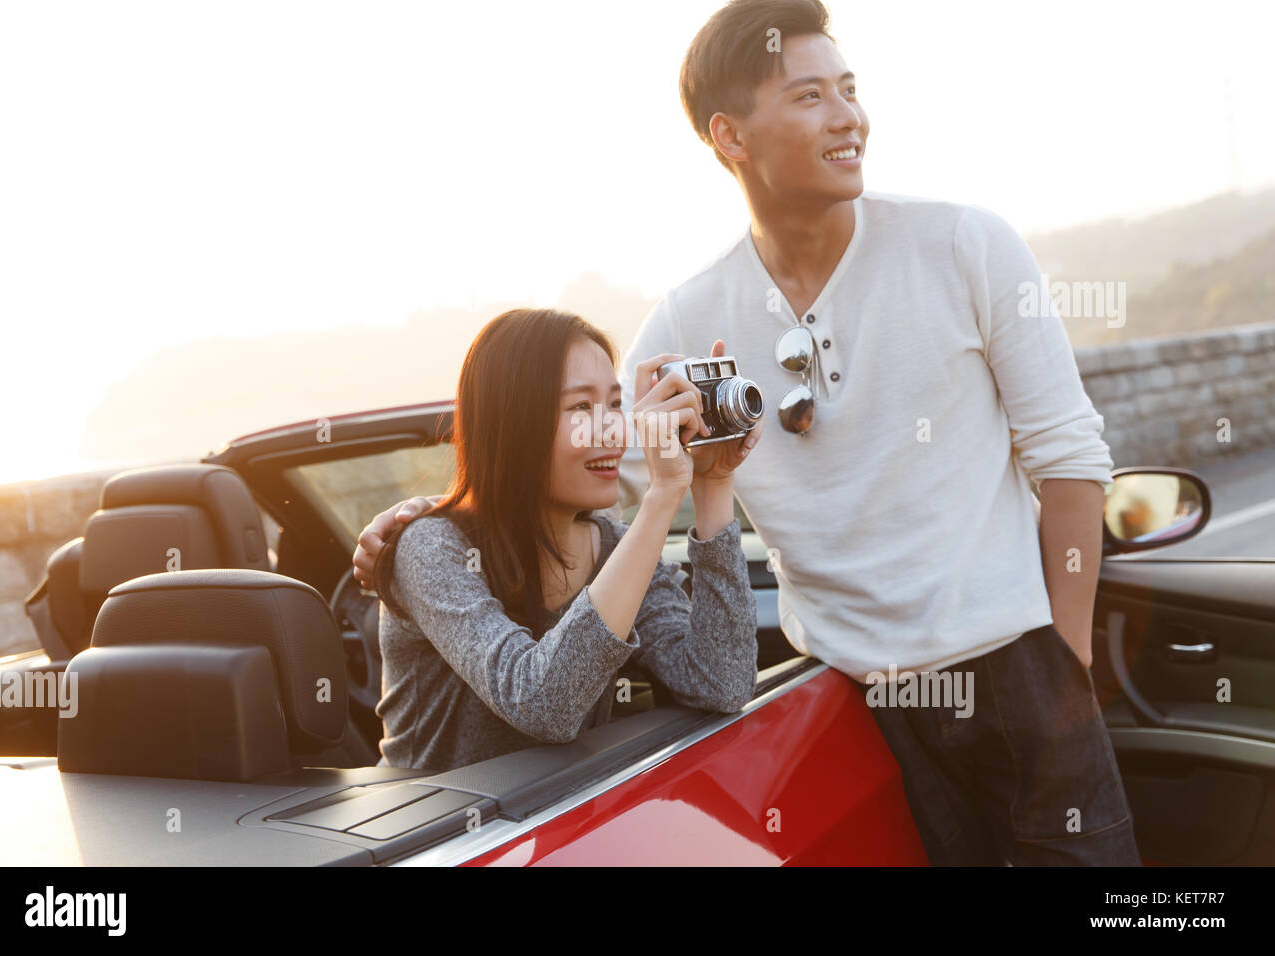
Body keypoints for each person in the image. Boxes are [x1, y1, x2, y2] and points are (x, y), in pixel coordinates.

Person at [356, 0, 1139, 865]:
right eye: (810, 96)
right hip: (856, 708)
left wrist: (1067, 668)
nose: (849, 117)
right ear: (730, 137)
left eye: (850, 89)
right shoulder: (685, 322)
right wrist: (434, 520)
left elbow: (1069, 460)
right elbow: (577, 467)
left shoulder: (963, 244)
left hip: (1022, 670)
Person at [372, 307, 761, 771]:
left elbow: (721, 683)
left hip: (562, 830)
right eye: (581, 407)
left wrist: (712, 484)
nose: (613, 430)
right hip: (437, 833)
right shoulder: (433, 548)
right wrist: (660, 499)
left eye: (616, 405)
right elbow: (541, 705)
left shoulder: (615, 548)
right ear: (512, 426)